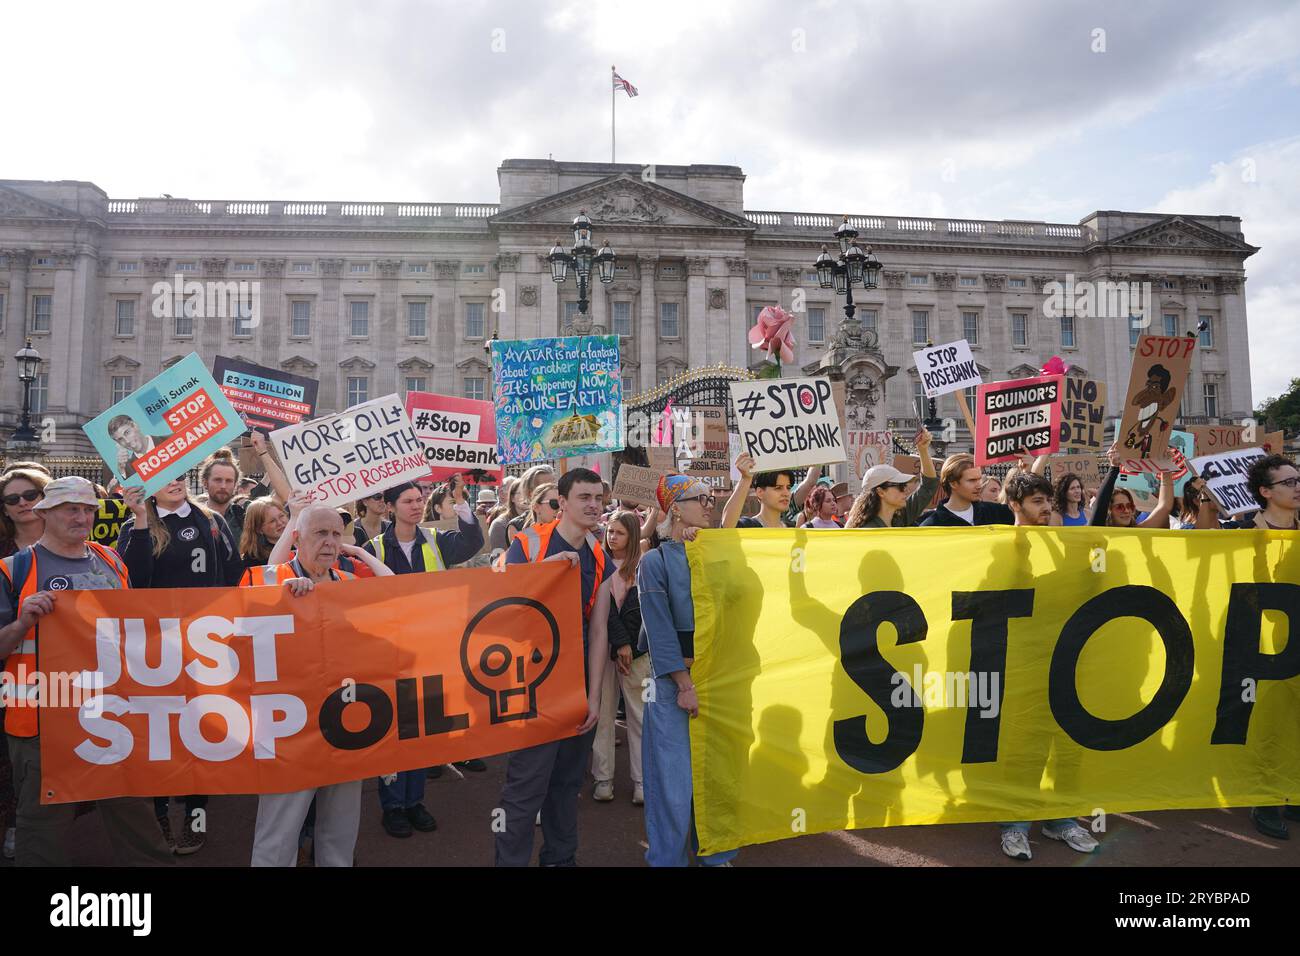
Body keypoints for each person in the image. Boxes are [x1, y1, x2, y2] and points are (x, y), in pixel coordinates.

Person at [0, 476, 174, 867]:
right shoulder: (13, 570)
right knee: (42, 828)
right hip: (42, 723)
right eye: (70, 509)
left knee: (135, 813)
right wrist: (22, 622)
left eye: (87, 509)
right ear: (44, 513)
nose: (81, 517)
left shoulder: (111, 559)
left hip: (111, 714)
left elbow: (128, 630)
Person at [243, 503, 393, 866]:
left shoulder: (351, 584)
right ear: (296, 538)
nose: (329, 542)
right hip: (289, 726)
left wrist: (357, 553)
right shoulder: (266, 578)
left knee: (341, 829)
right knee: (278, 832)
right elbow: (237, 631)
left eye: (335, 534)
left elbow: (396, 600)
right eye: (320, 533)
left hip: (345, 722)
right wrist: (282, 597)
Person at [114, 478, 243, 854]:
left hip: (205, 648)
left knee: (201, 732)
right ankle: (159, 816)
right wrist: (139, 521)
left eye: (180, 473)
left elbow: (233, 576)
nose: (174, 481)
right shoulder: (136, 524)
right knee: (159, 735)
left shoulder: (211, 521)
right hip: (156, 653)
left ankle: (195, 814)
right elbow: (131, 583)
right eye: (163, 475)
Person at [493, 467, 610, 867]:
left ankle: (561, 860)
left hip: (575, 689)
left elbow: (598, 633)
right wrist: (543, 575)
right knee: (524, 789)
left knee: (565, 786)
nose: (594, 504)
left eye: (598, 497)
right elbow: (499, 609)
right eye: (584, 497)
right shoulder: (527, 544)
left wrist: (594, 697)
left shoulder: (598, 553)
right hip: (532, 687)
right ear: (561, 502)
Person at [364, 476, 485, 827]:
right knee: (392, 734)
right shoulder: (373, 548)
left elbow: (473, 542)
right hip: (390, 654)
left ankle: (414, 802)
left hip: (431, 650)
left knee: (421, 733)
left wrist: (461, 501)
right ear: (389, 507)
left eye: (420, 499)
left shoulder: (436, 540)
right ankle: (392, 808)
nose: (416, 505)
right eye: (407, 501)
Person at [1195, 453, 1300, 839]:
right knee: (1267, 725)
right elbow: (1204, 544)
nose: (1297, 486)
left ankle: (1293, 791)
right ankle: (1266, 800)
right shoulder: (1241, 527)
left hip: (1298, 638)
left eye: (1298, 479)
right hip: (1260, 645)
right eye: (1288, 482)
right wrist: (1205, 501)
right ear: (1265, 492)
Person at [997, 472, 1100, 861]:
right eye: (1037, 502)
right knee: (1026, 747)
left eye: (1048, 502)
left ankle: (1061, 819)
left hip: (1069, 656)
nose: (1045, 509)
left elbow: (1080, 589)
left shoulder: (1064, 542)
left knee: (1069, 747)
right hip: (1025, 661)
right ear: (1015, 506)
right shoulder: (1001, 544)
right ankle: (1015, 825)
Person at [638, 474, 737, 866]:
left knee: (716, 773)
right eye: (703, 499)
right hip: (674, 685)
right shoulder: (653, 561)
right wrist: (683, 683)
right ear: (676, 508)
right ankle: (668, 859)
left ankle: (716, 853)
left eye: (711, 498)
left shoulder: (714, 554)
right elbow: (660, 629)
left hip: (717, 679)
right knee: (673, 778)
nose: (710, 504)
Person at [0, 467, 48, 860]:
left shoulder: (83, 548)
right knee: (12, 761)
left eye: (30, 495)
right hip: (12, 680)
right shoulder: (5, 559)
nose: (22, 504)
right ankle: (16, 827)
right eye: (12, 499)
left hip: (66, 681)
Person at [591, 511, 649, 805]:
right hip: (607, 651)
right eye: (610, 531)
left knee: (639, 718)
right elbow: (603, 610)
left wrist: (630, 647)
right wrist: (620, 643)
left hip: (635, 655)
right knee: (603, 715)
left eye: (619, 533)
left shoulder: (644, 565)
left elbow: (643, 610)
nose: (612, 537)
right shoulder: (597, 563)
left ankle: (641, 782)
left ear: (632, 536)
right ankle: (604, 778)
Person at [844, 428, 939, 528]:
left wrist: (923, 450)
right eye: (900, 486)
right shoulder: (867, 529)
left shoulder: (899, 517)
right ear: (880, 492)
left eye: (905, 486)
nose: (905, 490)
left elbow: (928, 486)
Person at [1089, 444, 1174, 529]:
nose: (1126, 511)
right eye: (1119, 507)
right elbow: (1101, 504)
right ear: (1109, 511)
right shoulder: (1099, 532)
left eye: (1130, 506)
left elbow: (1165, 506)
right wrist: (1114, 467)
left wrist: (1165, 466)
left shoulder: (1138, 531)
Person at [919, 453, 1015, 526]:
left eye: (979, 479)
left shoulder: (996, 512)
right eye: (972, 480)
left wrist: (1028, 471)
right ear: (953, 483)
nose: (979, 485)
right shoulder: (933, 525)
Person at [721, 455, 794, 529]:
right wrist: (746, 478)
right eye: (778, 488)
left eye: (788, 488)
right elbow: (727, 526)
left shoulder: (794, 528)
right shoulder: (748, 526)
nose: (786, 493)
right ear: (760, 492)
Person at [198, 448, 246, 549]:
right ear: (205, 482)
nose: (223, 486)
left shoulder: (243, 515)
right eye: (218, 480)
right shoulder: (195, 516)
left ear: (235, 485)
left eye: (228, 481)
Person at [506, 464, 556, 545]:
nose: (553, 490)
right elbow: (519, 557)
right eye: (545, 488)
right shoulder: (517, 526)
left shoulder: (565, 518)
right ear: (530, 493)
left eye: (554, 485)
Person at [239, 496, 289, 567]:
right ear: (259, 529)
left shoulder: (301, 542)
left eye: (281, 516)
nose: (280, 523)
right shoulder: (254, 559)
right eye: (272, 521)